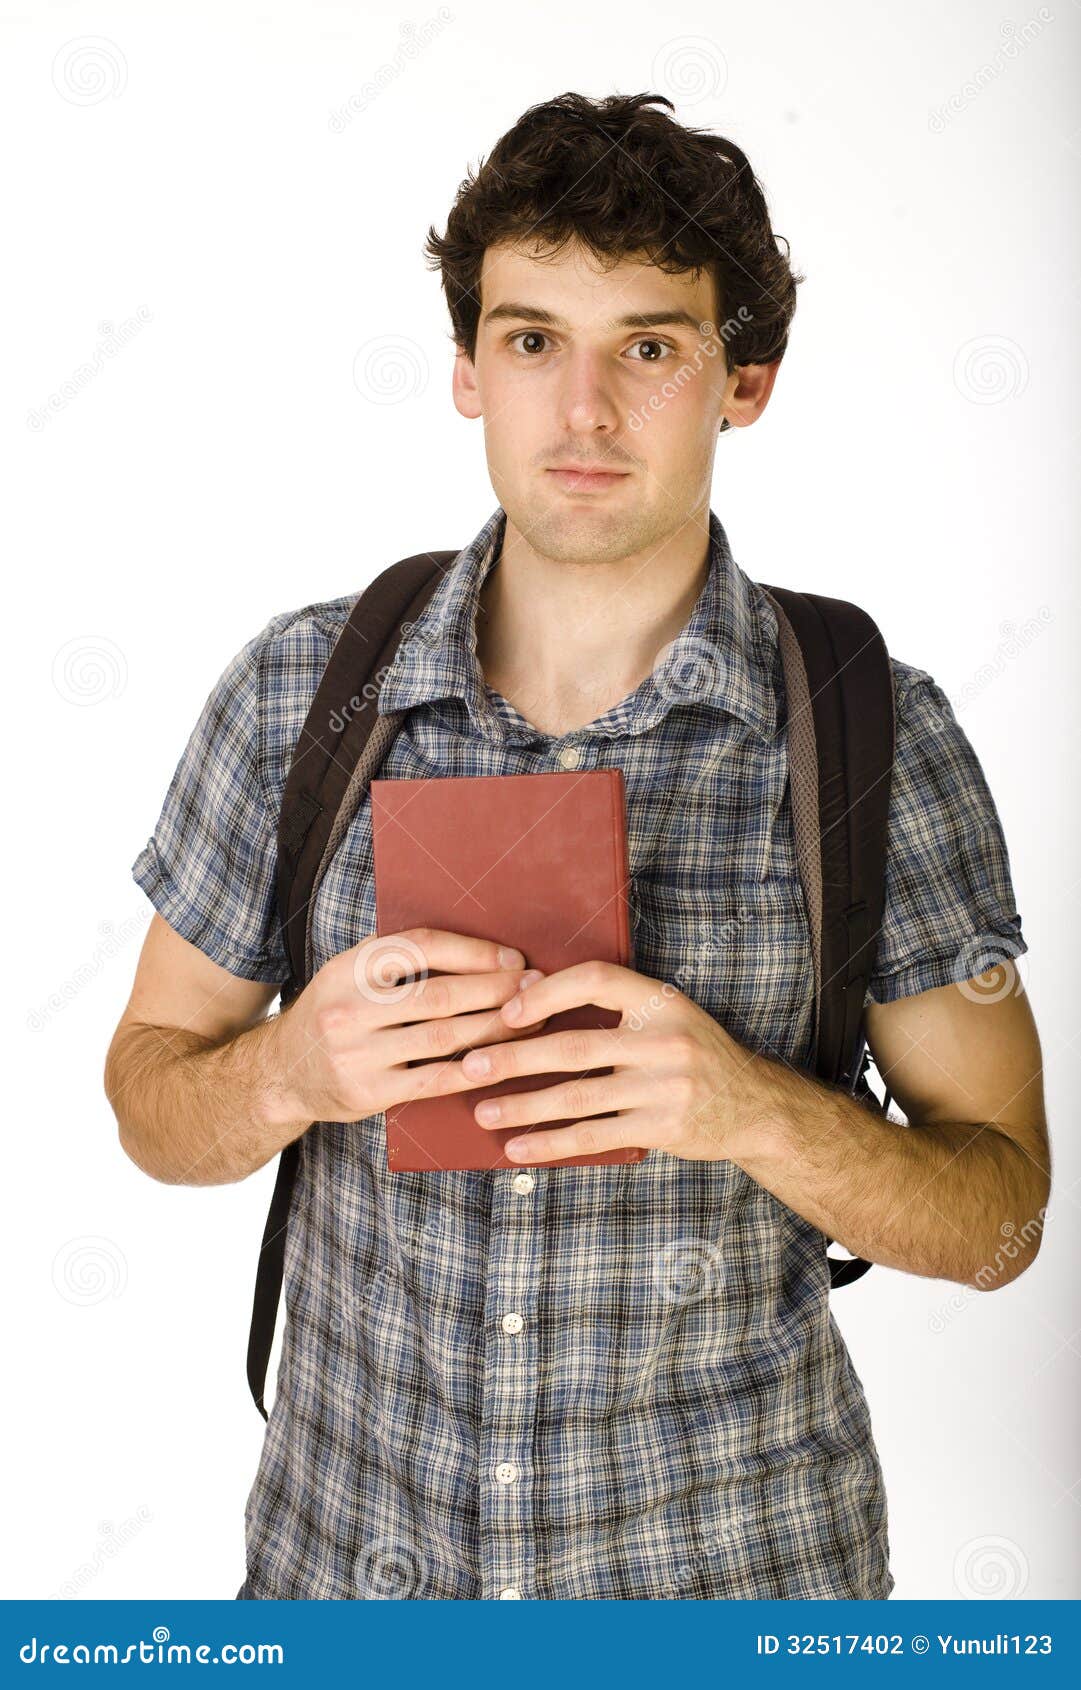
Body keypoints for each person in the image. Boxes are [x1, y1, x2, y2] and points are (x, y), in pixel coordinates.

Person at [104, 91, 1049, 1601]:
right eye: (533, 339)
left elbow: (1000, 1213)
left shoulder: (875, 732)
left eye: (650, 347)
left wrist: (751, 1108)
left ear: (745, 381)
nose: (584, 410)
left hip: (731, 1590)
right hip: (352, 1581)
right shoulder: (303, 691)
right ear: (471, 369)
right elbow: (148, 1094)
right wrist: (291, 1070)